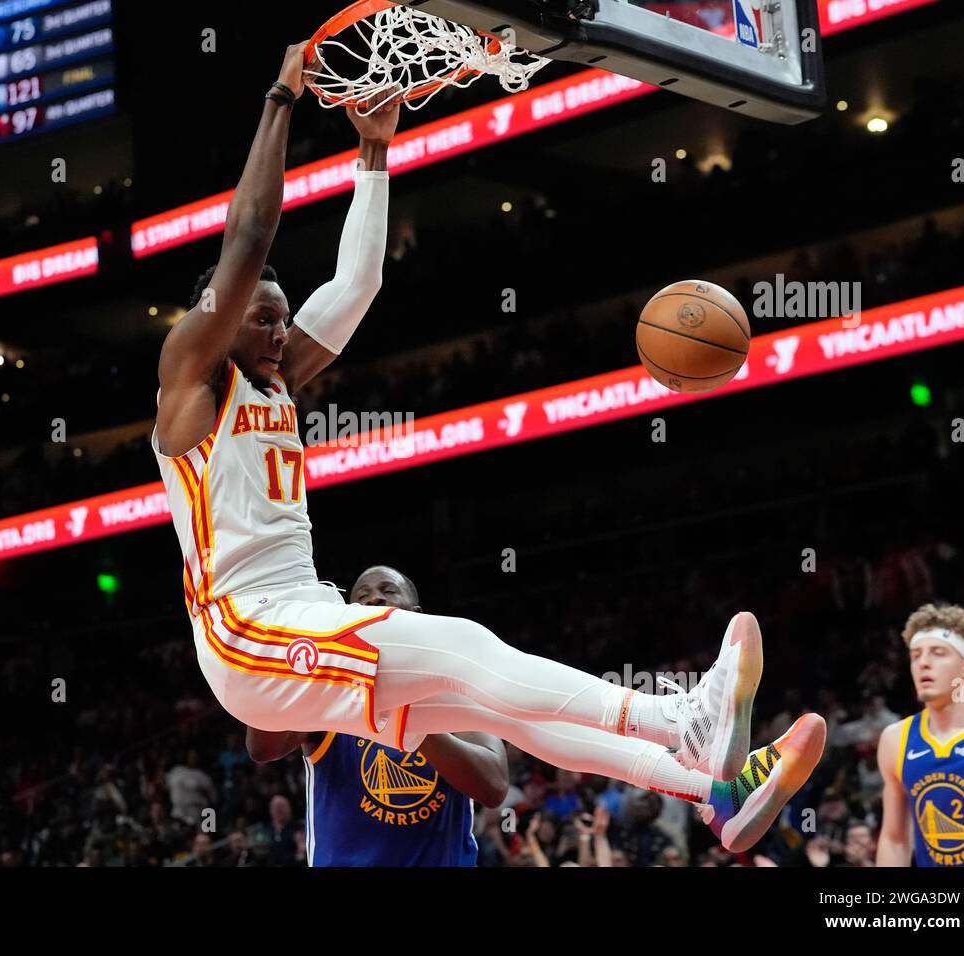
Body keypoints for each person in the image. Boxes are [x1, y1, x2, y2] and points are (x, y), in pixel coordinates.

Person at [151, 42, 825, 855]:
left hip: (300, 613)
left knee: (491, 706)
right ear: (213, 324)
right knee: (470, 647)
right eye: (262, 317)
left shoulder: (278, 377)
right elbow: (251, 236)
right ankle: (680, 720)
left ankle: (712, 792)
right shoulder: (190, 383)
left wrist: (373, 151)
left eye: (284, 316)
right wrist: (280, 95)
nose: (280, 329)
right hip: (244, 628)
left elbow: (358, 285)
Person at [247, 565, 509, 866]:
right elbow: (262, 748)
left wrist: (407, 718)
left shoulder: (454, 688)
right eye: (362, 595)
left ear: (416, 615)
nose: (373, 600)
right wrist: (281, 656)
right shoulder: (327, 691)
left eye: (387, 591)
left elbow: (493, 786)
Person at [876, 603, 964, 866]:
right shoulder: (895, 739)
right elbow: (895, 840)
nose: (923, 663)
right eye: (916, 655)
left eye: (938, 653)